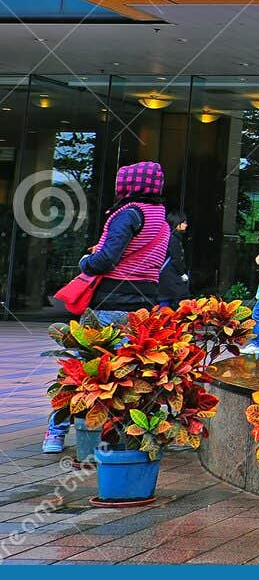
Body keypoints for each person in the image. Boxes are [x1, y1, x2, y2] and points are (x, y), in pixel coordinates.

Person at [43, 161, 171, 453]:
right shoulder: (161, 221)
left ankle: (57, 430)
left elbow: (106, 259)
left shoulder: (128, 214)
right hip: (142, 310)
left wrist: (85, 262)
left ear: (129, 186)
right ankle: (125, 436)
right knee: (130, 375)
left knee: (82, 370)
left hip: (109, 305)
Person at [158, 208, 191, 307]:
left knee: (165, 301)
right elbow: (177, 259)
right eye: (184, 222)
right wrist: (182, 274)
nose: (186, 225)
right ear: (177, 223)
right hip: (172, 277)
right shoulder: (174, 239)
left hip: (166, 277)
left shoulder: (167, 237)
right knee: (181, 300)